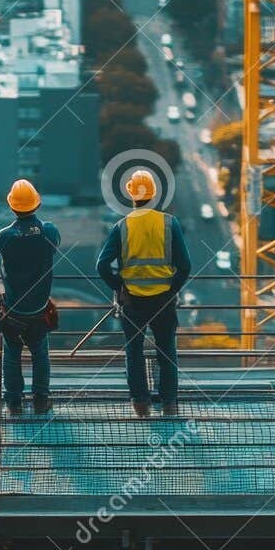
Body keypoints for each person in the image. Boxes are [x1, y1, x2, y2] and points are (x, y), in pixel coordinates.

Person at [96, 169, 192, 417]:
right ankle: (169, 403)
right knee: (166, 351)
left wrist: (120, 287)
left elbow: (102, 265)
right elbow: (185, 266)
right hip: (163, 299)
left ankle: (141, 404)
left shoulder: (122, 226)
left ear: (131, 195)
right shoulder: (170, 223)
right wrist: (172, 289)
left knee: (134, 351)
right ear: (154, 194)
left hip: (133, 301)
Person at [0, 179, 61, 414]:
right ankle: (41, 400)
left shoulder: (5, 236)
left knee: (12, 356)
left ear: (12, 206)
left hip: (14, 309)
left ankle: (13, 402)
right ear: (37, 203)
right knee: (40, 353)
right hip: (39, 309)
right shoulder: (49, 232)